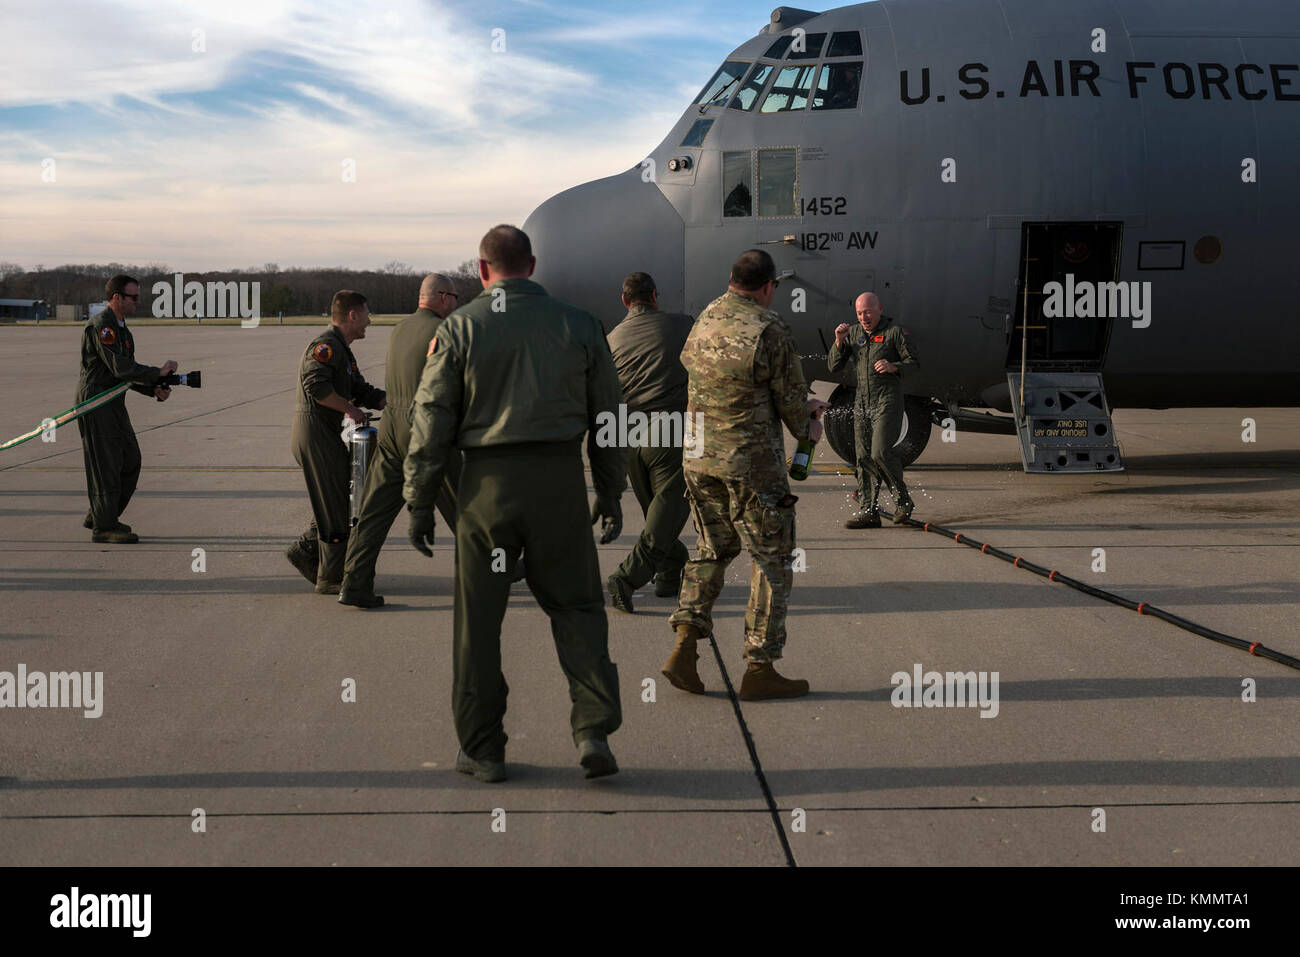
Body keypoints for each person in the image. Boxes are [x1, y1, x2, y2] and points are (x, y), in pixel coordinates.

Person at [403, 224, 625, 783]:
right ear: (532, 265)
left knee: (478, 624)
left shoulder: (459, 328)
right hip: (559, 486)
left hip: (486, 491)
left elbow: (431, 420)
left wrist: (420, 498)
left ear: (482, 270)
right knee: (577, 608)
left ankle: (483, 749)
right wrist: (610, 489)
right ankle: (592, 728)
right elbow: (608, 416)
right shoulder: (579, 324)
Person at [665, 250, 827, 701]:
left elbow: (706, 375)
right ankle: (760, 667)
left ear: (732, 279)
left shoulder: (706, 318)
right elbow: (791, 399)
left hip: (698, 459)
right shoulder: (769, 328)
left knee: (711, 548)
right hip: (748, 465)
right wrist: (809, 421)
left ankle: (684, 645)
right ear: (769, 286)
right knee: (773, 559)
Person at [337, 274, 462, 609]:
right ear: (442, 297)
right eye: (455, 296)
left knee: (374, 511)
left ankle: (354, 583)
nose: (457, 303)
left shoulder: (401, 329)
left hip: (394, 428)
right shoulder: (448, 332)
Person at [604, 272, 694, 615]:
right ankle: (627, 578)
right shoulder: (681, 324)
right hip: (671, 430)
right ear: (655, 295)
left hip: (627, 434)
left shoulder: (612, 338)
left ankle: (670, 575)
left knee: (658, 516)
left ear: (624, 301)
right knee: (669, 510)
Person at [286, 290, 386, 594]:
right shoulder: (327, 347)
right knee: (336, 505)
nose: (370, 321)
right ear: (353, 315)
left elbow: (360, 389)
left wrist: (391, 401)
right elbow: (314, 384)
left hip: (326, 433)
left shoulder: (343, 350)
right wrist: (350, 410)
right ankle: (329, 576)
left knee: (337, 498)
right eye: (366, 314)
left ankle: (306, 551)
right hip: (315, 431)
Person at [75, 275, 177, 544]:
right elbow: (120, 368)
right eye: (133, 297)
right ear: (117, 298)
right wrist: (157, 373)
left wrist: (153, 388)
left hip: (113, 400)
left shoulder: (123, 331)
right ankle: (104, 527)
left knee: (131, 460)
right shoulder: (103, 327)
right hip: (96, 402)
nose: (137, 302)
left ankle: (101, 514)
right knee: (106, 464)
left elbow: (125, 375)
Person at [829, 292, 920, 527]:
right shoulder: (854, 333)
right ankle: (869, 511)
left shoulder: (894, 333)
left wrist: (894, 366)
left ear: (880, 309)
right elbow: (833, 366)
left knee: (880, 452)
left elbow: (914, 364)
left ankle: (903, 500)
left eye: (868, 312)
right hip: (862, 401)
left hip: (886, 399)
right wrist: (839, 341)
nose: (863, 317)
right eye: (859, 313)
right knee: (863, 457)